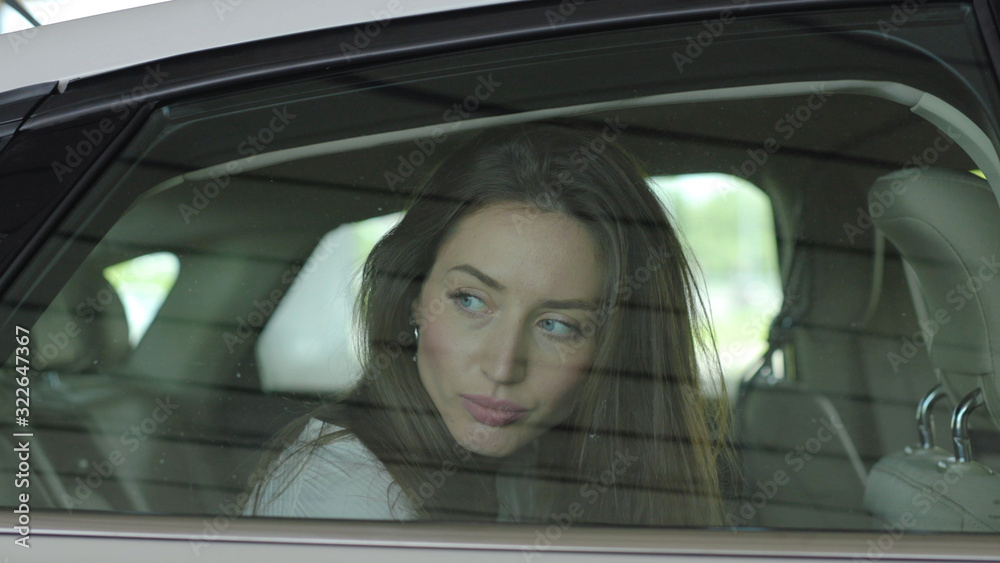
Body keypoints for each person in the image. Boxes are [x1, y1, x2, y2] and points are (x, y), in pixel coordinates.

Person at [243, 122, 730, 525]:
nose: (502, 367)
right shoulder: (347, 496)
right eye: (471, 300)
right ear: (414, 297)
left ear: (613, 345)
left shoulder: (539, 466)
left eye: (557, 325)